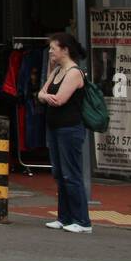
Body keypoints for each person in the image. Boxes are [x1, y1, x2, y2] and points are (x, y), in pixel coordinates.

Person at [36, 33, 92, 233]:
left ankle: (82, 221)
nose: (50, 51)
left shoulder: (74, 73)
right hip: (54, 128)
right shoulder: (57, 70)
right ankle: (64, 217)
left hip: (70, 130)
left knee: (71, 175)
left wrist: (46, 96)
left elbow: (59, 99)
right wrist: (45, 96)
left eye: (53, 48)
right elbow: (40, 93)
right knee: (59, 174)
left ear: (65, 50)